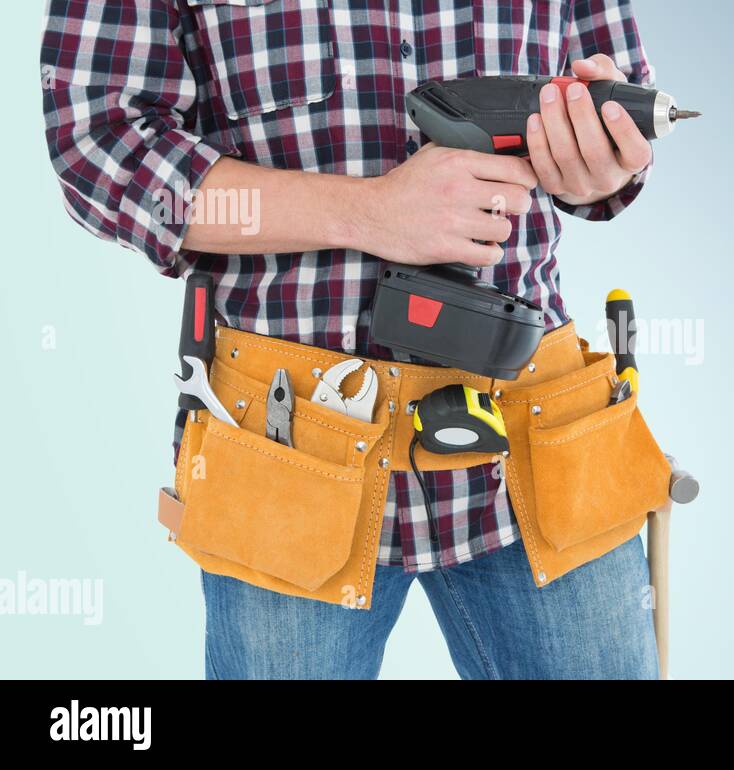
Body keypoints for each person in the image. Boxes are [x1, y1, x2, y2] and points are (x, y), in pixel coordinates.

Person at [41, 0, 660, 680]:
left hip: (534, 436)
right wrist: (368, 212)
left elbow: (616, 125)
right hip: (291, 454)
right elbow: (102, 151)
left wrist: (605, 161)